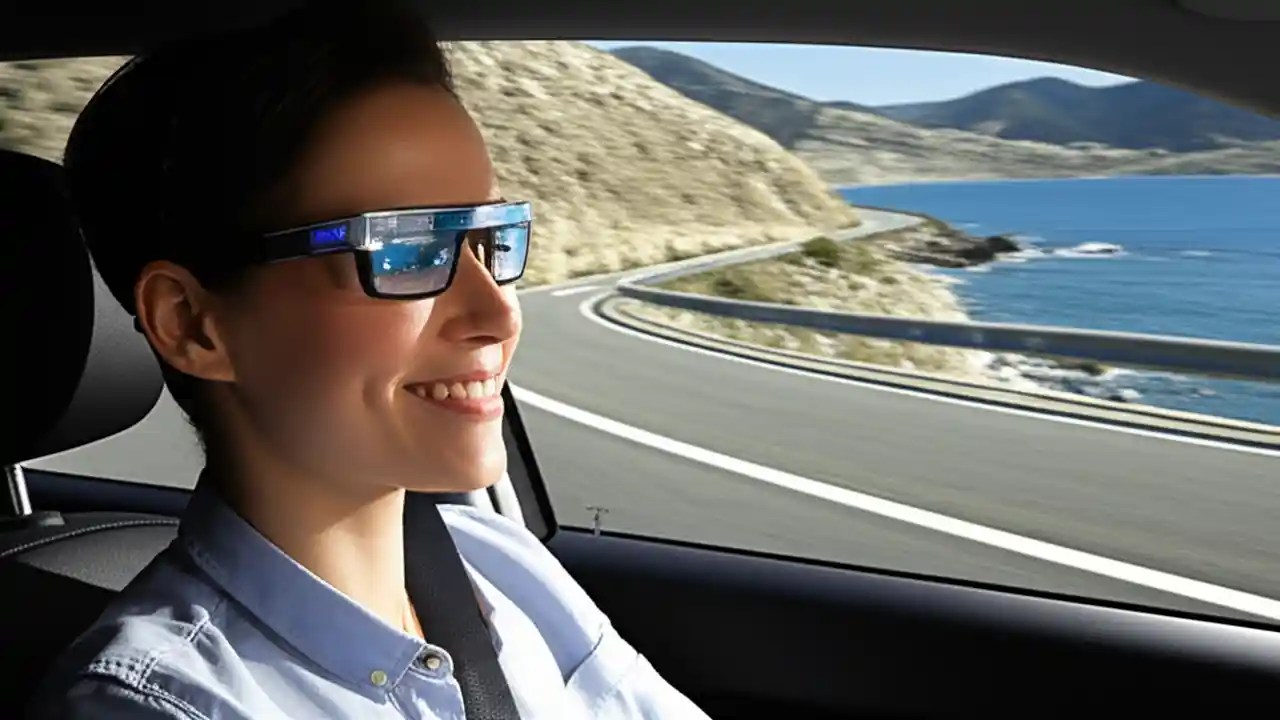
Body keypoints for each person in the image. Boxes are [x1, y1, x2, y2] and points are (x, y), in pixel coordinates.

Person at [27, 1, 709, 718]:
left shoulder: (498, 561)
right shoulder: (167, 705)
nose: (498, 313)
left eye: (489, 239)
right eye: (406, 249)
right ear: (193, 323)